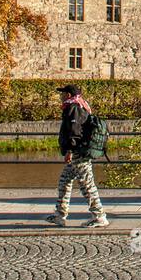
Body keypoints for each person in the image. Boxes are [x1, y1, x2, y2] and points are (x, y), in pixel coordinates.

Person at [45, 84, 109, 228]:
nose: (61, 96)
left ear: (68, 95)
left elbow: (74, 132)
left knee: (87, 185)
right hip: (77, 153)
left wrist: (70, 151)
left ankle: (99, 216)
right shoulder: (79, 106)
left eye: (63, 93)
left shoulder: (74, 108)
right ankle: (60, 215)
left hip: (78, 153)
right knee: (64, 182)